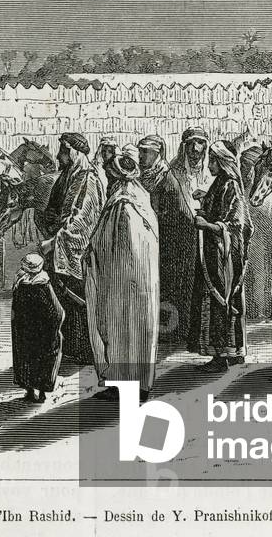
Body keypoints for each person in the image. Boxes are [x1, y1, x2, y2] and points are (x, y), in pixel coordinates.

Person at [86, 145, 161, 401]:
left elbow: (114, 245)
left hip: (122, 280)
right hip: (141, 283)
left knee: (121, 331)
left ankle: (124, 387)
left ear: (116, 177)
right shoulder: (141, 200)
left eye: (108, 173)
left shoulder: (123, 206)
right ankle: (138, 386)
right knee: (138, 333)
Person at [39, 132, 105, 364]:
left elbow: (83, 219)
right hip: (60, 246)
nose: (59, 156)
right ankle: (70, 347)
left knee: (79, 299)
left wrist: (55, 241)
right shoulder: (68, 175)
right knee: (62, 298)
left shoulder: (89, 178)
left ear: (75, 152)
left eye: (64, 152)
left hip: (77, 251)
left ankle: (87, 351)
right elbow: (53, 207)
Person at [187, 140, 249, 372]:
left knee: (221, 302)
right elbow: (220, 209)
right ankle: (232, 352)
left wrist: (206, 224)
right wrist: (206, 199)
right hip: (217, 254)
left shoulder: (230, 184)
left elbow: (235, 224)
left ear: (223, 162)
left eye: (213, 160)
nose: (208, 164)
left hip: (225, 257)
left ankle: (221, 357)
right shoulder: (220, 183)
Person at [138, 134, 196, 342]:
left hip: (175, 245)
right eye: (140, 151)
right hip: (159, 242)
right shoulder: (146, 177)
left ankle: (171, 335)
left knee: (171, 288)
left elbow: (170, 217)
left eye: (146, 152)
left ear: (159, 153)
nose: (141, 156)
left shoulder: (166, 180)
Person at [11, 253, 65, 404]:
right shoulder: (44, 284)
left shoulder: (19, 283)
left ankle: (29, 391)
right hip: (44, 331)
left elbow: (15, 311)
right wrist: (58, 324)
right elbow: (57, 311)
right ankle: (41, 392)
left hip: (24, 331)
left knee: (26, 357)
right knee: (46, 356)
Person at [170, 127, 212, 208]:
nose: (195, 148)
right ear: (184, 147)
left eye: (200, 143)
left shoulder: (212, 169)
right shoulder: (174, 168)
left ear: (205, 146)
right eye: (190, 143)